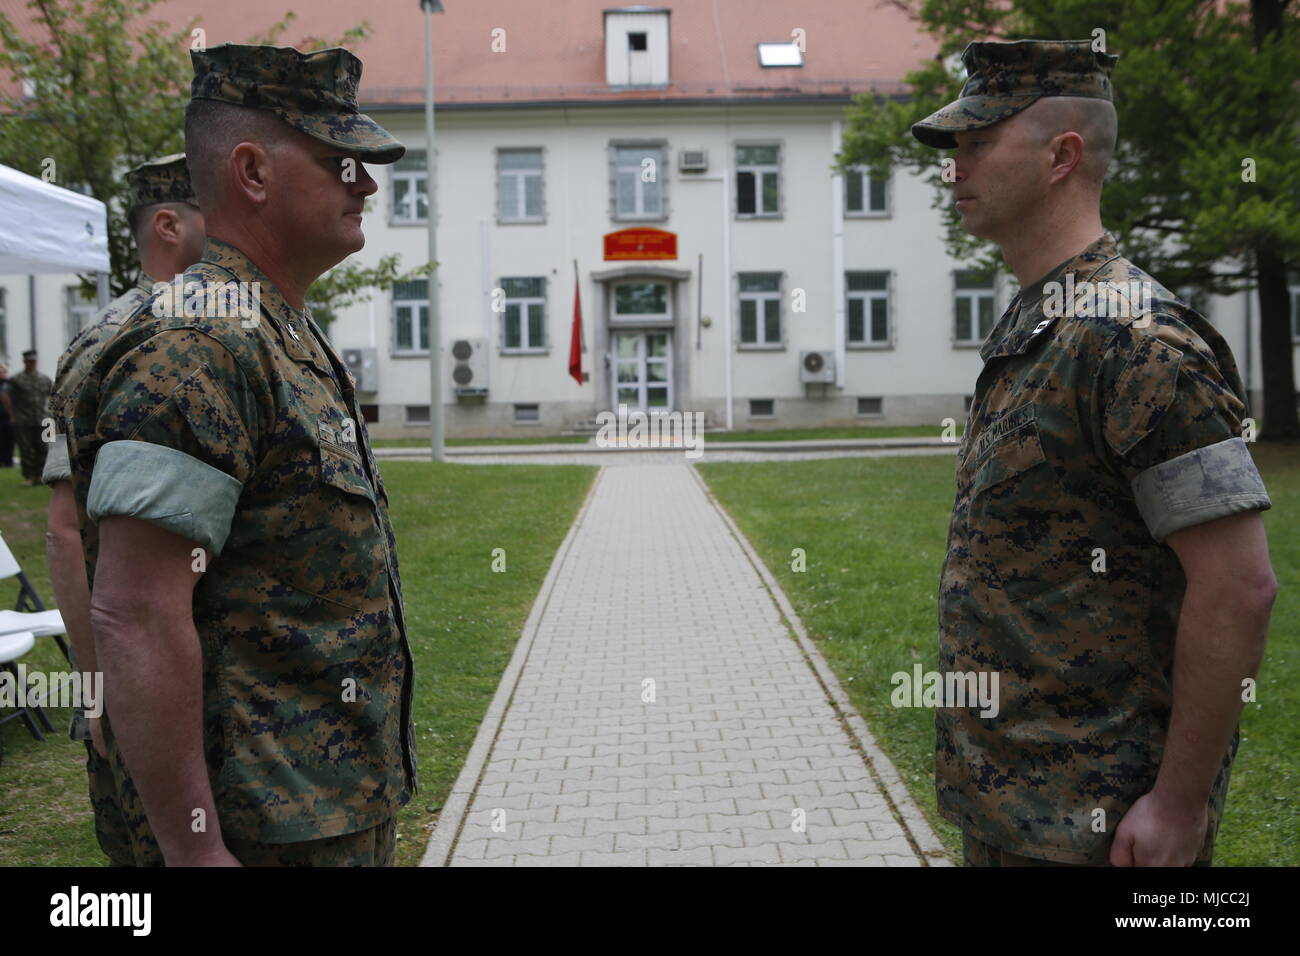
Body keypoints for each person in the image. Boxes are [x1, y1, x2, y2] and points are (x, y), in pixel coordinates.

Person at [912, 39, 1277, 867]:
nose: (955, 167)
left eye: (977, 142)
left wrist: (1179, 807)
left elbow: (1239, 586)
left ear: (1060, 157)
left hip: (1103, 829)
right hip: (1014, 809)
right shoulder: (1042, 326)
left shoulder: (1137, 341)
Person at [65, 43, 417, 867]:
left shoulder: (272, 327)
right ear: (252, 171)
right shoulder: (199, 343)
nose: (365, 183)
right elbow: (137, 614)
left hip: (320, 811)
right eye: (340, 161)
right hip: (254, 832)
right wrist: (195, 851)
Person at [43, 153, 205, 867]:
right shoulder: (130, 345)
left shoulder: (94, 339)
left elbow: (60, 528)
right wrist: (97, 686)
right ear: (168, 223)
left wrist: (94, 687)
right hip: (167, 693)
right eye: (216, 215)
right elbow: (64, 532)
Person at [10, 349, 52, 484]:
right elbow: (8, 398)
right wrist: (12, 415)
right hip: (23, 419)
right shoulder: (16, 380)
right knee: (25, 448)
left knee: (43, 448)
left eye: (33, 361)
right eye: (29, 361)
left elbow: (51, 397)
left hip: (41, 418)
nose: (31, 364)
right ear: (24, 362)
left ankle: (40, 475)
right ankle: (28, 476)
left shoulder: (44, 379)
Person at [0, 363, 14, 467]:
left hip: (7, 416)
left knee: (9, 439)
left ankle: (8, 461)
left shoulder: (9, 384)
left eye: (3, 371)